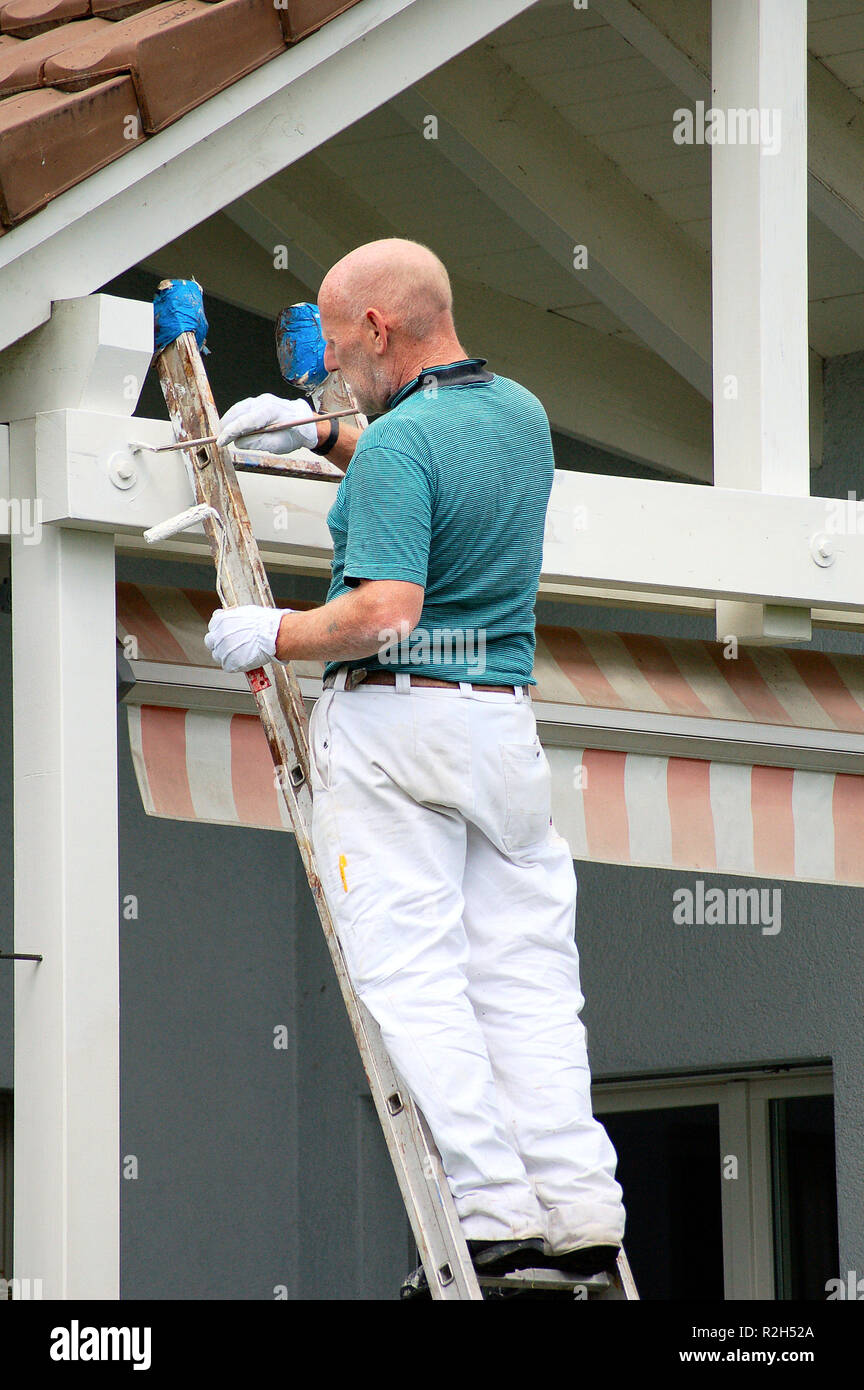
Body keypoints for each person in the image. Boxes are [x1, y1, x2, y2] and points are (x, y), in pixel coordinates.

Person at [205, 238, 626, 1293]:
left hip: (402, 732)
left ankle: (491, 1214)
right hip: (505, 732)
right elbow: (431, 463)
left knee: (414, 975)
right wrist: (334, 438)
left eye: (344, 345)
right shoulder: (522, 417)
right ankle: (580, 1210)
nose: (338, 365)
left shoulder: (401, 446)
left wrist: (277, 630)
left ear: (382, 329)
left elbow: (387, 612)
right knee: (527, 980)